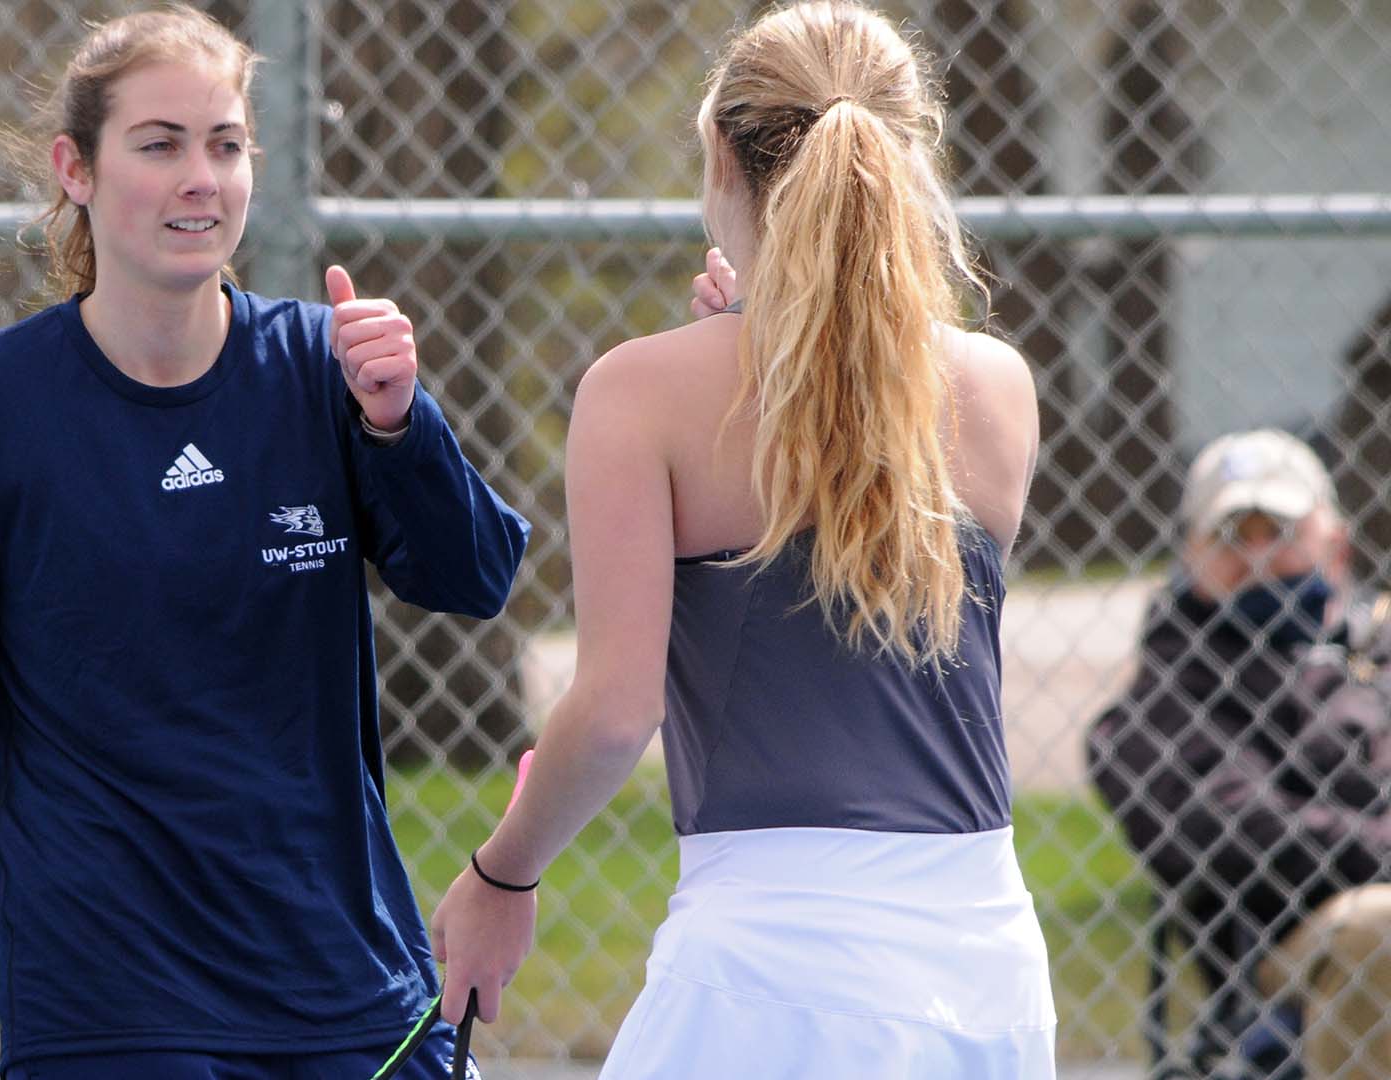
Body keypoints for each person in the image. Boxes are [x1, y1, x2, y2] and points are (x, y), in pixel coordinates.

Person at [0, 7, 528, 1079]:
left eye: (225, 145)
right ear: (77, 169)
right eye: (159, 145)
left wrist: (397, 424)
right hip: (114, 1017)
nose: (201, 179)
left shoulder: (321, 369)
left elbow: (475, 577)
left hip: (346, 996)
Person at [428, 2, 1054, 1075]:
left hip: (769, 964)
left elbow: (614, 714)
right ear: (914, 154)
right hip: (986, 971)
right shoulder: (996, 385)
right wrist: (756, 330)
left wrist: (502, 875)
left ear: (723, 157)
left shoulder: (640, 393)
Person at [1087, 428, 1391, 1080]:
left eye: (1280, 532)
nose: (1258, 557)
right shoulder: (1171, 685)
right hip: (1291, 954)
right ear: (1190, 555)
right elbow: (1231, 824)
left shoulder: (1376, 642)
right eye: (1231, 536)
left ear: (1335, 543)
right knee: (1381, 924)